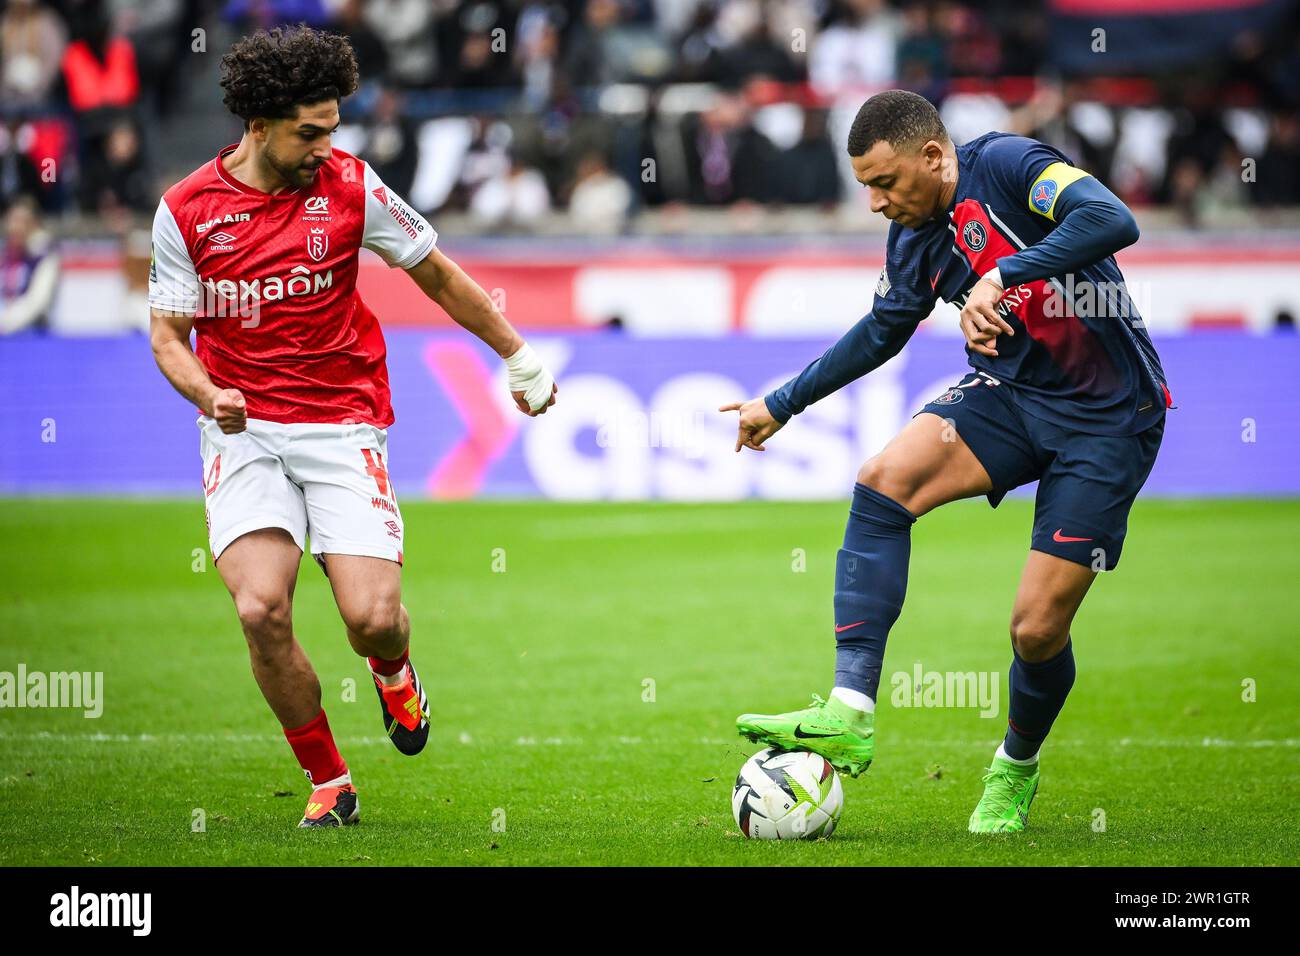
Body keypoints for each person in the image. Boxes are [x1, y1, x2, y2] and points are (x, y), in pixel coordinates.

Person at [721, 90, 1171, 833]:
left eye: (886, 182)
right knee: (882, 481)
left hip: (1108, 418)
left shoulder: (1010, 164)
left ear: (934, 157)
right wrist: (783, 401)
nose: (874, 202)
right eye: (865, 185)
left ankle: (1014, 769)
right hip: (1012, 396)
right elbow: (879, 333)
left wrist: (1005, 275)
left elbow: (1113, 219)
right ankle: (851, 710)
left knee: (1034, 631)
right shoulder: (914, 238)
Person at [148, 25, 557, 828]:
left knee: (371, 619)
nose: (327, 145)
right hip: (243, 433)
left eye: (334, 127)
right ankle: (330, 780)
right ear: (258, 125)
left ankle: (394, 672)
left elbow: (434, 271)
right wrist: (208, 394)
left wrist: (517, 355)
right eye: (311, 131)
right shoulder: (186, 210)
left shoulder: (351, 186)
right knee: (260, 609)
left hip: (342, 423)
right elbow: (167, 334)